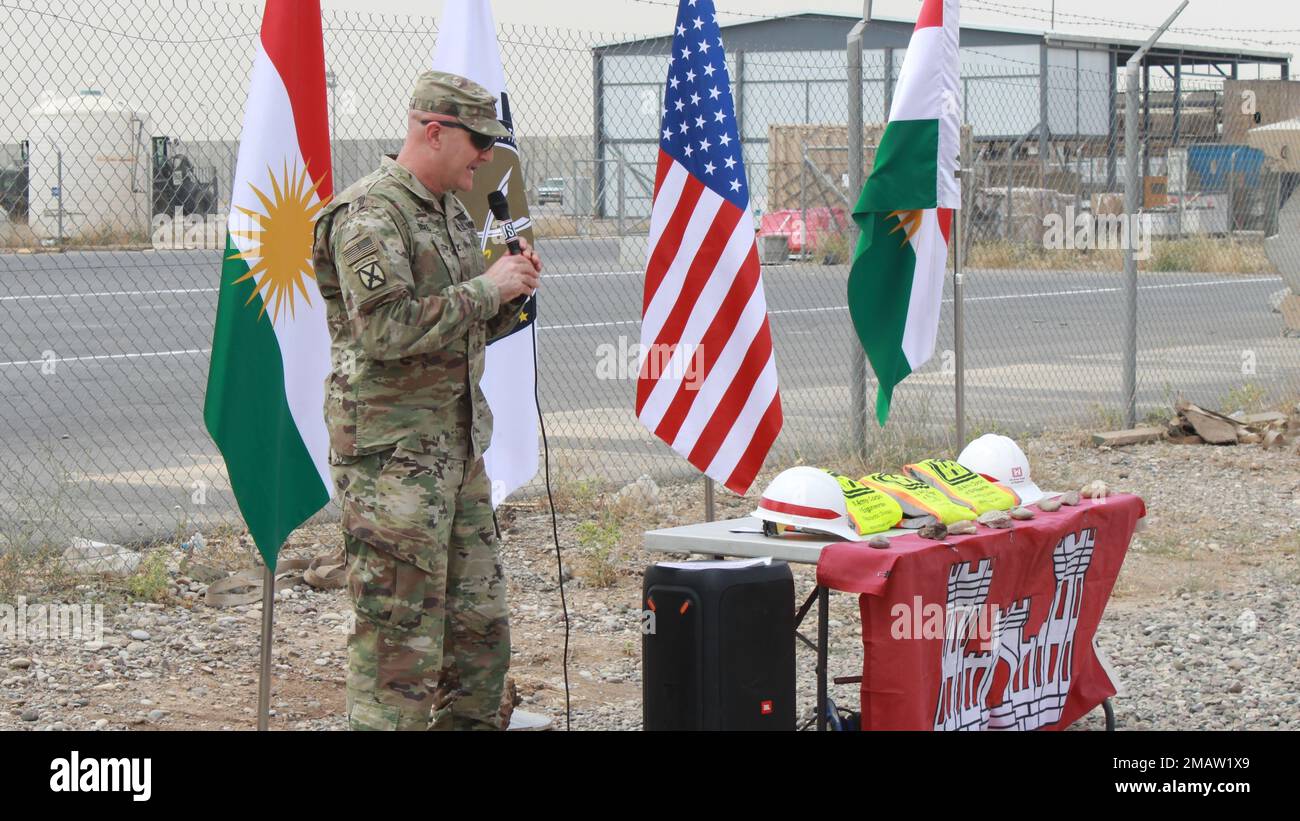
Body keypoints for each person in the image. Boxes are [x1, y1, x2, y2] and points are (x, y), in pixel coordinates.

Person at [312, 70, 541, 731]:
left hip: (458, 454)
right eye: (477, 141)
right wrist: (485, 291)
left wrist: (508, 295)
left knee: (479, 637)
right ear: (431, 131)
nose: (486, 157)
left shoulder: (447, 214)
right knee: (399, 650)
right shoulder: (369, 215)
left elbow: (457, 326)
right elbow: (384, 330)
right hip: (394, 469)